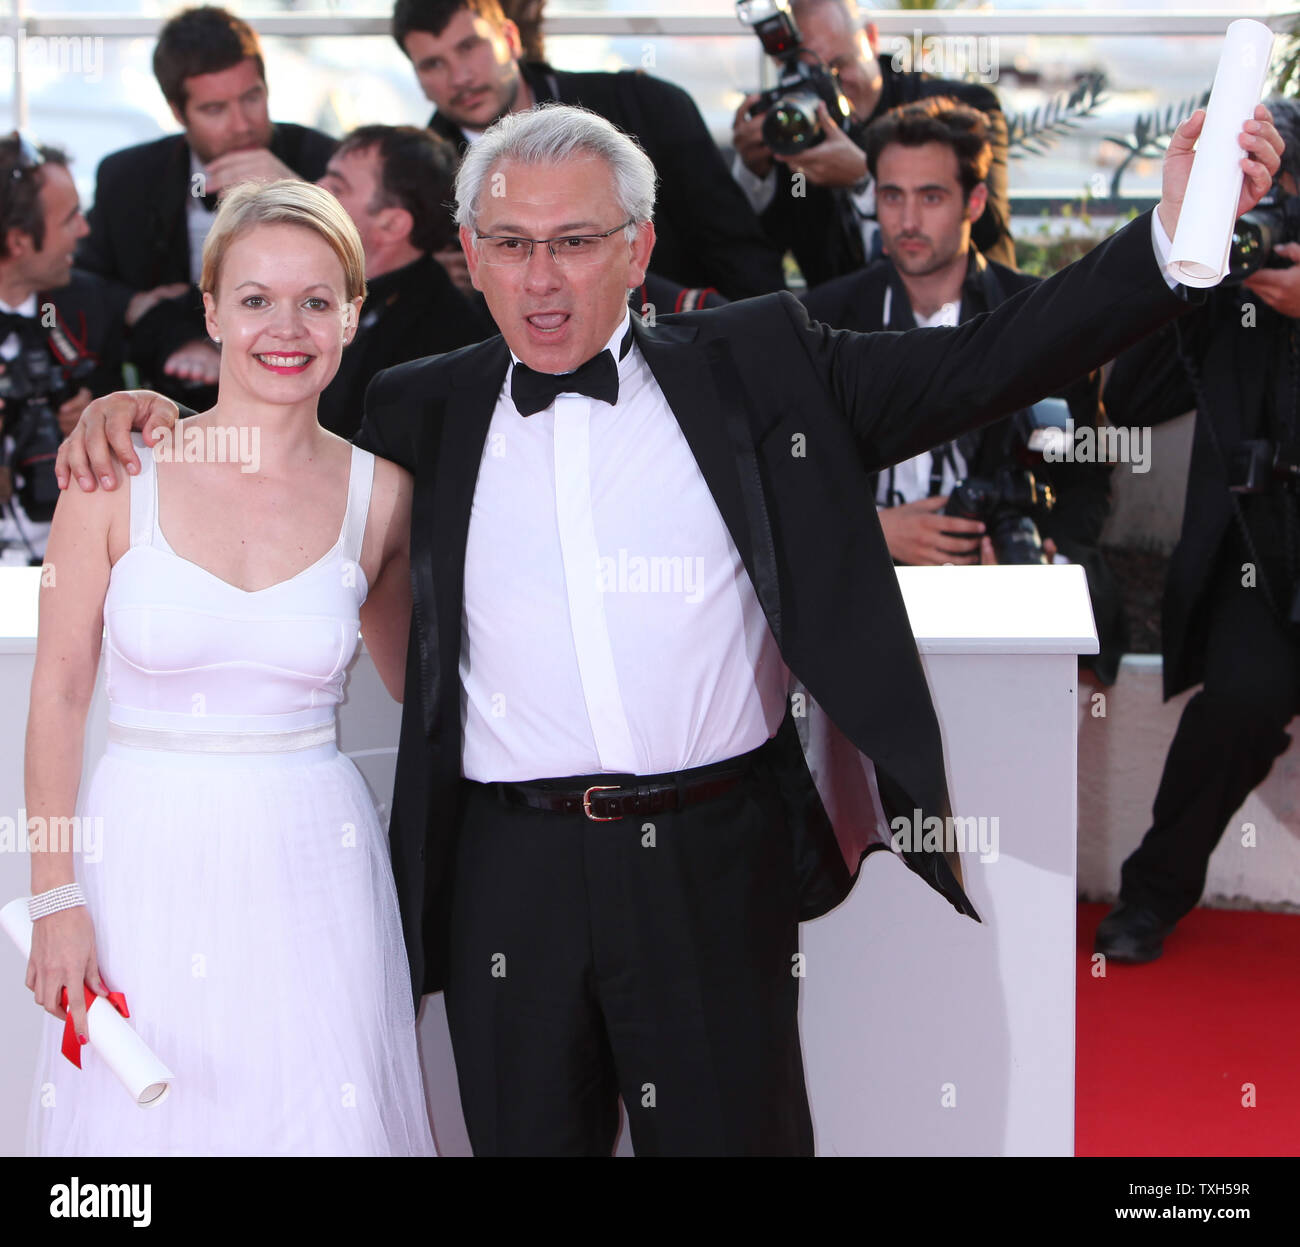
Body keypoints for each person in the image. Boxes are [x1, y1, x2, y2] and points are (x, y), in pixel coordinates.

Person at [57, 102, 1281, 1156]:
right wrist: (133, 409)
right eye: (511, 244)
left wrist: (1174, 232)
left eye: (577, 242)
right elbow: (272, 446)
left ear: (638, 247)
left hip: (707, 854)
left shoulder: (765, 364)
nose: (541, 279)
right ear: (469, 257)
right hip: (506, 878)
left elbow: (998, 359)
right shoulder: (414, 408)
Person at [25, 180, 433, 1155]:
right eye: (254, 299)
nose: (284, 327)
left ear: (350, 313)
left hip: (312, 865)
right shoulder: (117, 472)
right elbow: (58, 691)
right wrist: (53, 894)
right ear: (210, 310)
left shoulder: (384, 496)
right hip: (139, 859)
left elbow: (426, 701)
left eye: (316, 300)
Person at [802, 99, 1126, 683]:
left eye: (930, 197)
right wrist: (870, 526)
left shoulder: (1039, 319)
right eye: (892, 195)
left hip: (996, 599)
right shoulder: (819, 318)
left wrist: (1043, 551)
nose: (905, 221)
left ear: (974, 202)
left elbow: (1086, 476)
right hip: (855, 590)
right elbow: (779, 471)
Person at [1094, 98, 1300, 963]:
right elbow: (1131, 399)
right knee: (1241, 704)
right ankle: (1151, 895)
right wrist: (1194, 264)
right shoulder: (1228, 285)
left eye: (1280, 189)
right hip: (1268, 556)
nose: (1267, 208)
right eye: (1250, 190)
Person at [393, 0, 785, 305]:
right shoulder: (414, 180)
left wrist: (761, 348)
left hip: (682, 357)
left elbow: (737, 251)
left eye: (470, 47)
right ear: (418, 79)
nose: (460, 77)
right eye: (433, 64)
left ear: (510, 39)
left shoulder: (646, 105)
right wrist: (431, 280)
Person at [76, 6, 336, 408]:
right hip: (167, 397)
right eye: (215, 109)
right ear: (178, 112)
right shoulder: (128, 176)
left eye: (252, 98)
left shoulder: (320, 160)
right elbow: (79, 280)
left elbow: (366, 274)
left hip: (307, 392)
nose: (241, 124)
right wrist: (133, 306)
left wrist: (296, 193)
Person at [732, 0, 1014, 284]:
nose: (829, 88)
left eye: (836, 67)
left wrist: (866, 178)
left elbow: (987, 228)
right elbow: (759, 251)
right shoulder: (794, 128)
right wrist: (755, 173)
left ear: (870, 38)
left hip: (964, 316)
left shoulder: (963, 107)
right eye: (807, 77)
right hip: (837, 320)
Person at [315, 124, 495, 438]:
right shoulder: (327, 288)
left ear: (392, 225)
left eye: (337, 187)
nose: (316, 188)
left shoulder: (440, 341)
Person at [0, 135, 128, 565]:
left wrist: (95, 411)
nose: (85, 229)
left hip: (75, 555)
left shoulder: (88, 306)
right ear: (18, 242)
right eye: (71, 217)